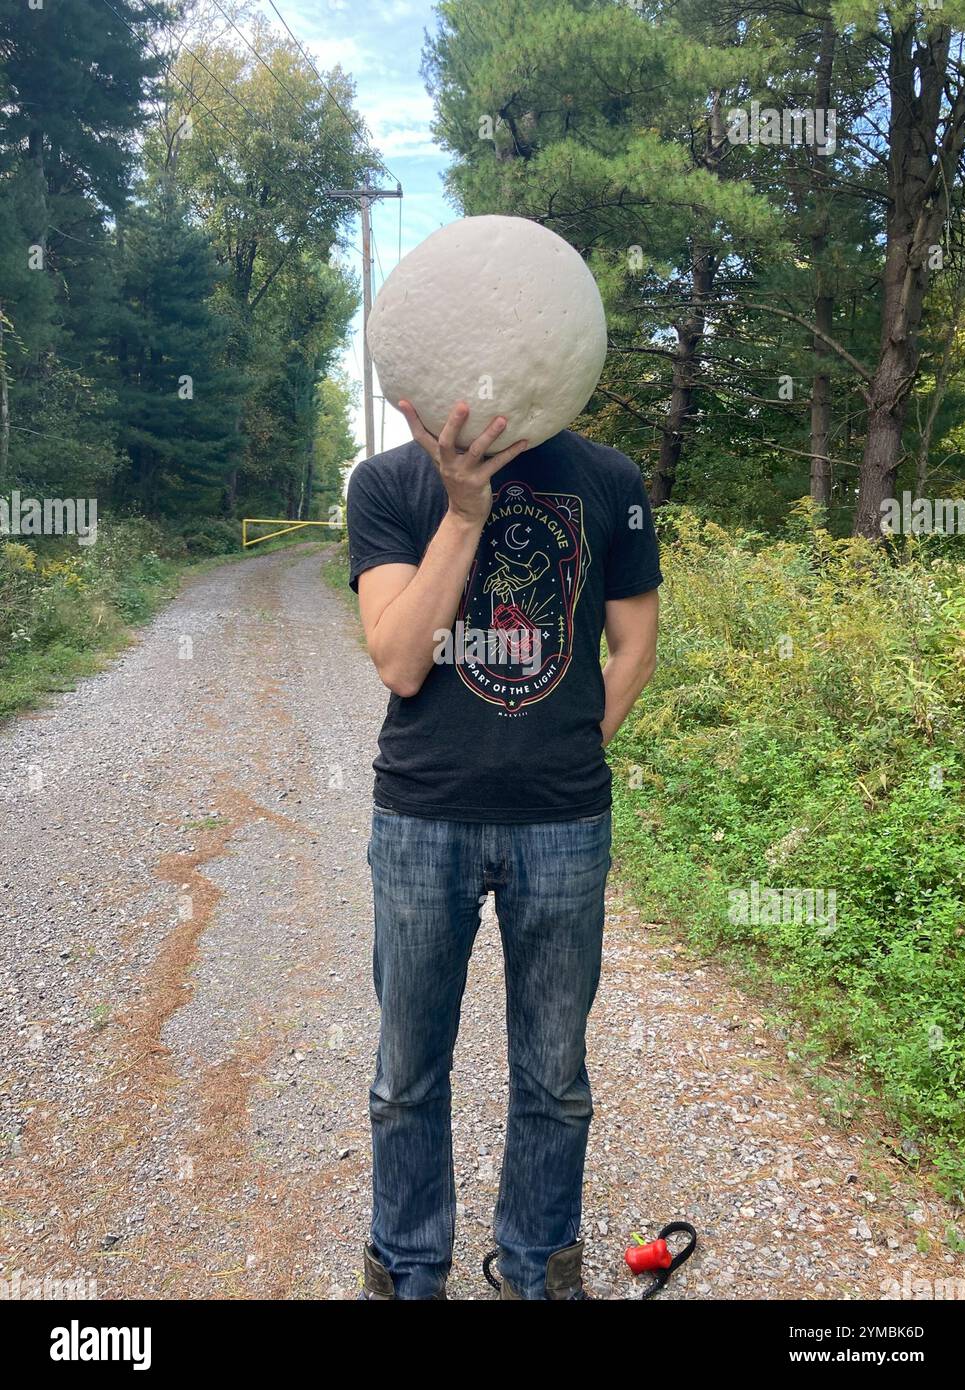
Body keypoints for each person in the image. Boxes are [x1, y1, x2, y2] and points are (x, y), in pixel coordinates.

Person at [346, 399, 662, 1300]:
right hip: (422, 817)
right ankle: (408, 1270)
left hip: (562, 824)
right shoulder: (386, 483)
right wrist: (464, 511)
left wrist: (564, 749)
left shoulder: (609, 481)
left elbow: (634, 648)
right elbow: (402, 661)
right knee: (406, 1074)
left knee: (555, 1075)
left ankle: (538, 1268)